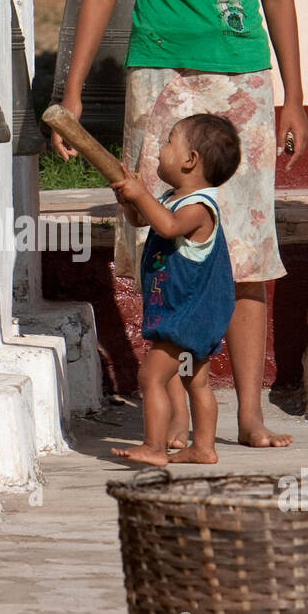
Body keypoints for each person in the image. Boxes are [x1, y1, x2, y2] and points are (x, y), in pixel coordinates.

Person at [50, 0, 308, 449]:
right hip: (159, 81)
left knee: (247, 252)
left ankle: (249, 415)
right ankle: (167, 408)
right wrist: (70, 93)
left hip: (243, 87)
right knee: (158, 243)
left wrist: (293, 96)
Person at [110, 113, 239, 466]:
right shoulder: (172, 197)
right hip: (186, 310)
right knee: (194, 380)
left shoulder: (198, 207)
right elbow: (145, 220)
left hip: (187, 313)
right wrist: (130, 200)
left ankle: (154, 446)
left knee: (150, 376)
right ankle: (203, 448)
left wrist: (142, 194)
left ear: (190, 160)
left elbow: (166, 227)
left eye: (169, 142)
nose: (161, 149)